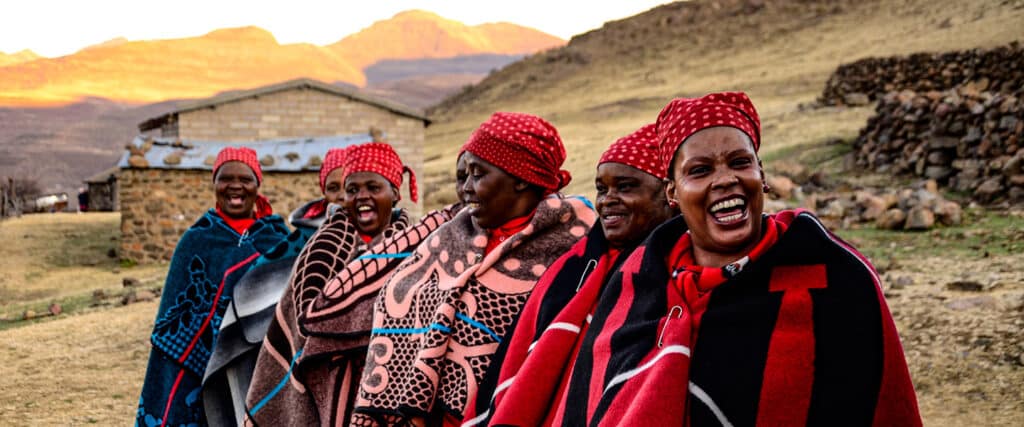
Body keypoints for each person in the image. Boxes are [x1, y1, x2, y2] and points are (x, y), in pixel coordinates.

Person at [547, 92, 922, 426]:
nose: (725, 180)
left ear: (762, 174)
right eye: (700, 170)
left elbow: (883, 405)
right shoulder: (637, 283)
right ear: (673, 192)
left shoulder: (834, 276)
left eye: (740, 162)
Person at [350, 112, 597, 426]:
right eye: (461, 176)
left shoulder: (576, 242)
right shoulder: (452, 234)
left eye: (477, 175)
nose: (465, 189)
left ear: (521, 176)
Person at [465, 124, 676, 426]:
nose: (607, 200)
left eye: (626, 187)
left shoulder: (679, 273)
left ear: (669, 192)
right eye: (602, 189)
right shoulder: (573, 268)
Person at [245, 142, 419, 426]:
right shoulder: (321, 249)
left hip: (392, 385)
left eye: (373, 188)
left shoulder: (417, 249)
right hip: (321, 379)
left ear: (396, 194)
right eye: (352, 190)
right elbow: (303, 322)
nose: (362, 197)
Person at [135, 147, 290, 427]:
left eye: (245, 179)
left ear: (257, 185)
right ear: (214, 184)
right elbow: (176, 317)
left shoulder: (277, 242)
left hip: (254, 360)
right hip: (196, 362)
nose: (235, 186)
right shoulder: (195, 240)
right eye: (225, 178)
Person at [201, 147, 350, 426]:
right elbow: (254, 297)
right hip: (295, 361)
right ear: (323, 192)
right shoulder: (296, 244)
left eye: (350, 186)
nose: (343, 196)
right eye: (334, 187)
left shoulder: (275, 235)